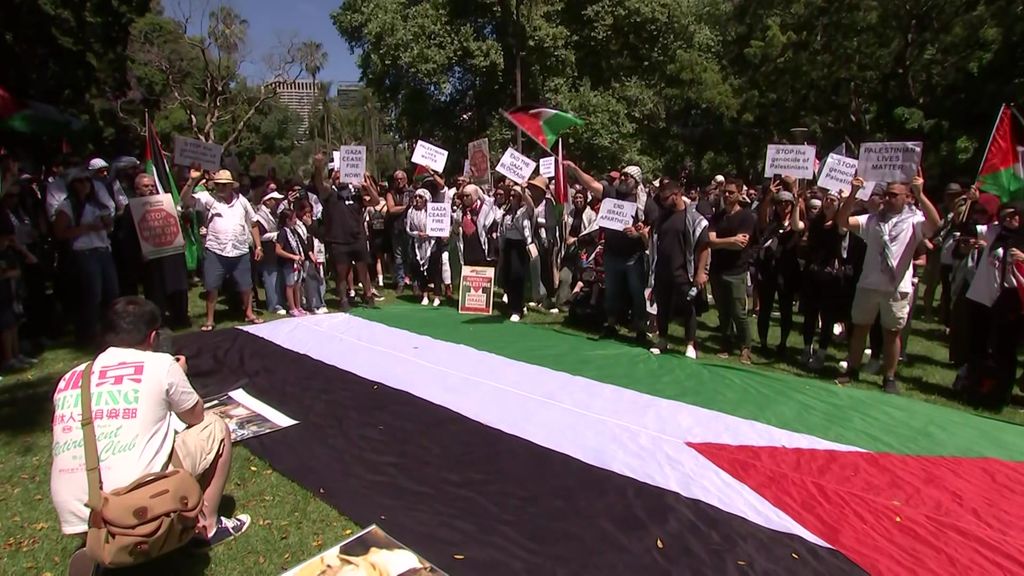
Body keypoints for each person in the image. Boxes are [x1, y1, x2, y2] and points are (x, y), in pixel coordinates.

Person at [54, 297, 250, 574]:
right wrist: (180, 375)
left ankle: (100, 541)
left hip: (78, 506)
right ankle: (208, 526)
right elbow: (195, 417)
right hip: (135, 502)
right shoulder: (160, 365)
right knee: (216, 426)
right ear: (153, 337)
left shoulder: (73, 376)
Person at [835, 174, 941, 393]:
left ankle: (889, 377)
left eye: (893, 195)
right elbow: (843, 221)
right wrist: (853, 194)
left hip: (896, 287)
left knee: (891, 333)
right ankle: (852, 369)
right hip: (868, 284)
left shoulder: (914, 221)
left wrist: (921, 195)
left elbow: (936, 223)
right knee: (860, 329)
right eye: (886, 194)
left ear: (907, 197)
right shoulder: (873, 219)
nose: (888, 199)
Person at [564, 162, 651, 346]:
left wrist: (638, 233)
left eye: (627, 176)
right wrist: (575, 169)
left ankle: (641, 330)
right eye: (622, 175)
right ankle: (610, 325)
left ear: (636, 181)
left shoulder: (643, 202)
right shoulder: (611, 193)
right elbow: (591, 184)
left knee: (637, 294)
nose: (622, 178)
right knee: (612, 293)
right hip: (612, 254)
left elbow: (650, 228)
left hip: (633, 257)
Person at [181, 168, 264, 331]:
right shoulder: (207, 198)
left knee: (246, 286)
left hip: (240, 250)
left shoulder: (242, 201)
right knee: (212, 287)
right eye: (218, 184)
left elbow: (253, 223)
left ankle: (249, 313)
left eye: (224, 185)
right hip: (216, 251)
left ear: (231, 186)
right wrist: (192, 181)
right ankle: (210, 320)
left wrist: (258, 245)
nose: (221, 187)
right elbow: (185, 201)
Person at [959, 201, 1024, 409]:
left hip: (1011, 299)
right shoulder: (993, 231)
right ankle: (975, 387)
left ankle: (999, 394)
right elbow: (966, 229)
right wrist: (971, 201)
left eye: (1015, 215)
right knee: (978, 345)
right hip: (983, 297)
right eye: (1005, 215)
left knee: (1005, 350)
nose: (1010, 219)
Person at [52, 168, 119, 345]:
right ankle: (88, 333)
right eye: (80, 181)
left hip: (104, 250)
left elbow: (109, 227)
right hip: (84, 253)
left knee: (112, 293)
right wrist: (87, 228)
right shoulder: (67, 206)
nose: (85, 185)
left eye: (87, 181)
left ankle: (111, 331)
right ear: (73, 185)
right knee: (92, 295)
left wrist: (107, 224)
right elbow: (59, 233)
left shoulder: (97, 204)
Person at [118, 174, 191, 329]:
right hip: (151, 258)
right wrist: (138, 254)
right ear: (137, 189)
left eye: (152, 186)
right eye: (146, 186)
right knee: (156, 291)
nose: (151, 189)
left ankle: (180, 318)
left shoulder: (164, 203)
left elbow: (174, 223)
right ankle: (159, 320)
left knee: (178, 287)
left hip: (171, 255)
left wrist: (180, 239)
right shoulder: (131, 208)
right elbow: (128, 237)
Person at [649, 180, 710, 359]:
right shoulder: (662, 217)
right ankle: (662, 339)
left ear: (676, 195)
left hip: (684, 272)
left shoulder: (693, 218)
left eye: (666, 198)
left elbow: (704, 246)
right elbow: (653, 240)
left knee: (688, 308)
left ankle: (690, 344)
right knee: (662, 307)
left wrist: (701, 272)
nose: (663, 201)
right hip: (662, 270)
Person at [311, 154, 379, 311]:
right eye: (336, 172)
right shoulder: (329, 193)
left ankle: (368, 295)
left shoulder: (355, 193)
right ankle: (343, 299)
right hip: (338, 239)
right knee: (342, 272)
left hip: (357, 237)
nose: (339, 174)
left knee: (363, 269)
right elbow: (319, 183)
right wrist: (318, 166)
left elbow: (375, 201)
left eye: (342, 172)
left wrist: (367, 185)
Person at [754, 178, 805, 356]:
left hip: (787, 273)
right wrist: (768, 197)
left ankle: (783, 343)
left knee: (785, 311)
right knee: (765, 310)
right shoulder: (771, 225)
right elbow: (761, 218)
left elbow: (797, 225)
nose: (784, 206)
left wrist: (797, 202)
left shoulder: (796, 225)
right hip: (768, 272)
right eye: (780, 203)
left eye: (787, 203)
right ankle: (763, 343)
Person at [708, 177, 756, 364]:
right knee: (723, 311)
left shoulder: (746, 217)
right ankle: (725, 343)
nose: (726, 195)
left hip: (736, 271)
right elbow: (710, 241)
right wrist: (730, 241)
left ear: (739, 194)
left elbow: (741, 244)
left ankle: (745, 347)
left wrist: (722, 242)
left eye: (731, 192)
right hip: (717, 270)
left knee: (739, 312)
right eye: (725, 192)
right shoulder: (717, 216)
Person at [800, 191, 847, 370]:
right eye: (826, 199)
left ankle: (821, 353)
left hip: (830, 278)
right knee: (810, 315)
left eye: (832, 200)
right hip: (812, 274)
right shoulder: (816, 223)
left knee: (827, 318)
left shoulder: (840, 225)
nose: (828, 202)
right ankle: (806, 349)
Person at [499, 185, 535, 322]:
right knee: (508, 277)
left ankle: (517, 309)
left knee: (517, 276)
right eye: (511, 196)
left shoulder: (524, 211)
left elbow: (532, 207)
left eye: (515, 196)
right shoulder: (506, 211)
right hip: (508, 244)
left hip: (520, 246)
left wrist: (524, 190)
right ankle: (515, 304)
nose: (512, 198)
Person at [406, 189, 444, 306]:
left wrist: (431, 233)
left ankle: (437, 295)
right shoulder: (411, 212)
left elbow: (440, 226)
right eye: (416, 197)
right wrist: (417, 234)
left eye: (420, 197)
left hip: (432, 242)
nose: (417, 199)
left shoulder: (432, 211)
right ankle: (425, 294)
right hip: (418, 243)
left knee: (435, 268)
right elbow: (408, 229)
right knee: (420, 269)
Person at [254, 188, 286, 316]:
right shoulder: (259, 217)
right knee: (270, 278)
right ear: (267, 201)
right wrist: (275, 235)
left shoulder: (275, 214)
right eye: (275, 200)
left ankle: (281, 302)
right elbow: (259, 236)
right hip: (267, 251)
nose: (277, 202)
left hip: (276, 251)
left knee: (278, 278)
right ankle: (274, 305)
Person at [274, 208, 308, 316]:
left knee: (297, 285)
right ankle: (292, 307)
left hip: (297, 262)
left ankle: (298, 306)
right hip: (288, 263)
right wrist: (292, 256)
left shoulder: (293, 231)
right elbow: (278, 250)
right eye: (293, 218)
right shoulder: (283, 233)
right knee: (290, 285)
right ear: (287, 220)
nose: (295, 220)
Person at [385, 170, 414, 294]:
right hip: (396, 228)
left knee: (412, 255)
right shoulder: (391, 193)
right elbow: (391, 209)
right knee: (398, 257)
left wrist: (404, 208)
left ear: (406, 179)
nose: (399, 181)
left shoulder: (412, 193)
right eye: (397, 179)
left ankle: (413, 280)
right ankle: (400, 281)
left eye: (401, 179)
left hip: (411, 228)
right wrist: (406, 207)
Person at [455, 184, 496, 268]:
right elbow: (456, 228)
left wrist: (476, 189)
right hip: (467, 247)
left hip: (479, 247)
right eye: (463, 196)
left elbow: (490, 201)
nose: (464, 199)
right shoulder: (461, 210)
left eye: (467, 196)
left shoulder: (482, 209)